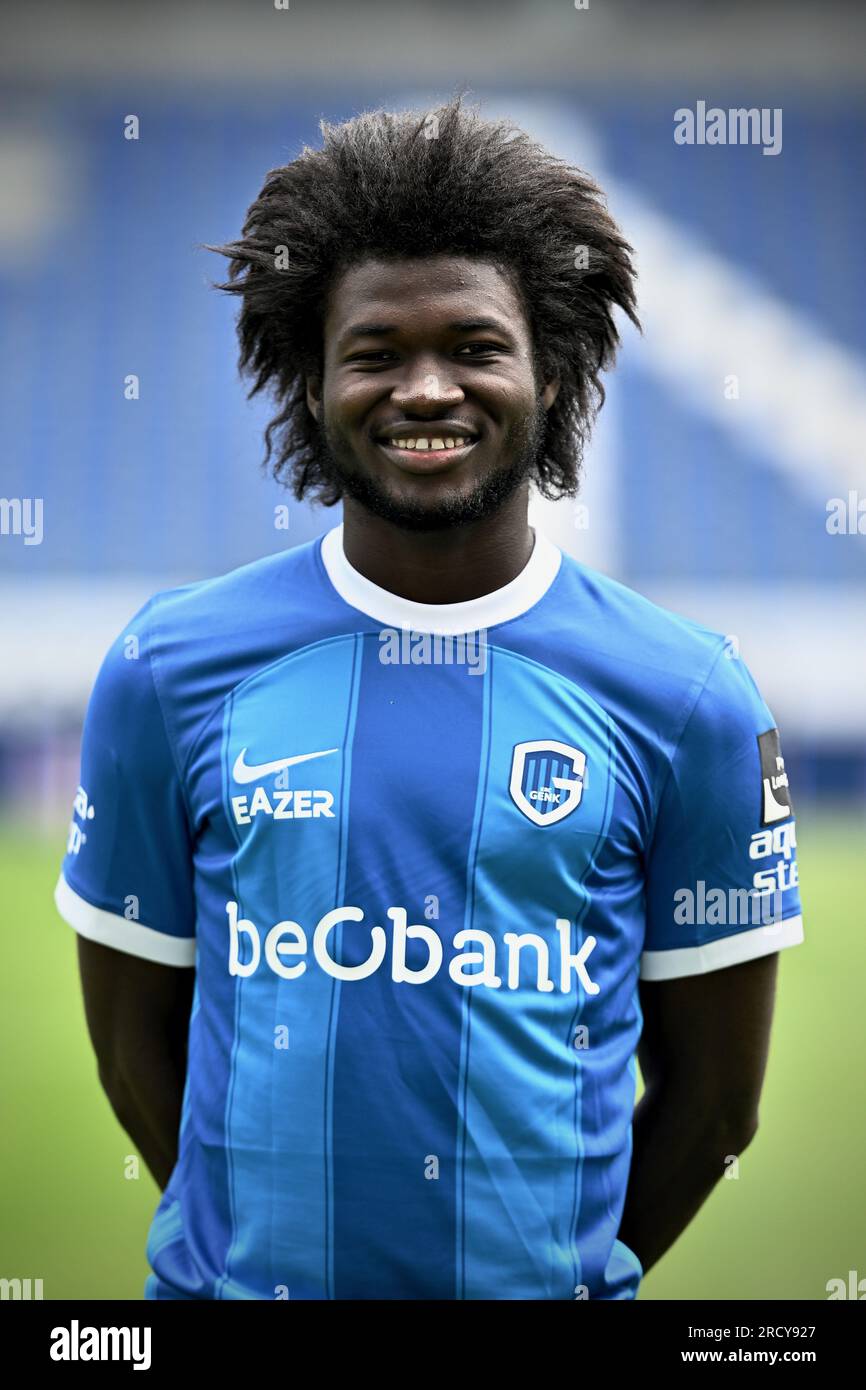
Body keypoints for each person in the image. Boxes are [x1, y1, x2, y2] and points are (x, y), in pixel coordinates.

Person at [54, 94, 804, 1301]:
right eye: (374, 353)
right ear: (308, 381)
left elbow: (715, 1104)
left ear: (551, 372)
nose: (425, 389)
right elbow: (135, 1054)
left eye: (472, 345)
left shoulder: (686, 695)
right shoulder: (169, 669)